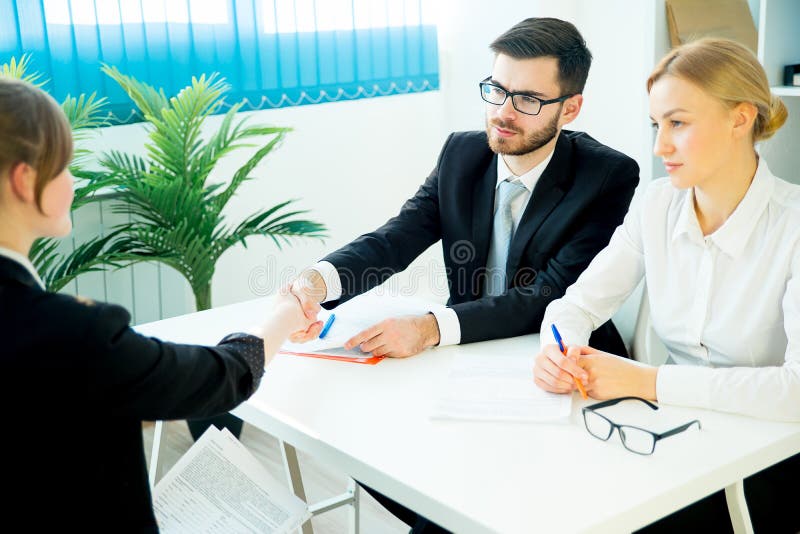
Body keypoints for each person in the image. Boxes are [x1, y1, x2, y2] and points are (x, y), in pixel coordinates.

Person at [292, 17, 640, 533]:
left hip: (559, 366)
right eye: (496, 89)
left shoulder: (606, 175)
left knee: (453, 505)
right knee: (366, 442)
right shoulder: (462, 154)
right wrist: (318, 283)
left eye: (527, 99)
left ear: (570, 108)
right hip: (470, 359)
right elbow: (398, 237)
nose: (502, 112)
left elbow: (548, 293)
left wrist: (429, 327)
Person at [0, 77, 318, 531]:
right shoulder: (72, 333)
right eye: (65, 167)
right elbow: (220, 377)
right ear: (24, 178)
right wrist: (283, 316)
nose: (73, 182)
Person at [534, 37, 797, 533]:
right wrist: (557, 350)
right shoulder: (657, 205)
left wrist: (648, 381)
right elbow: (577, 305)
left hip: (771, 457)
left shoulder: (794, 227)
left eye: (678, 123)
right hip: (672, 433)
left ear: (740, 119)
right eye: (657, 125)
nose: (660, 147)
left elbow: (796, 392)